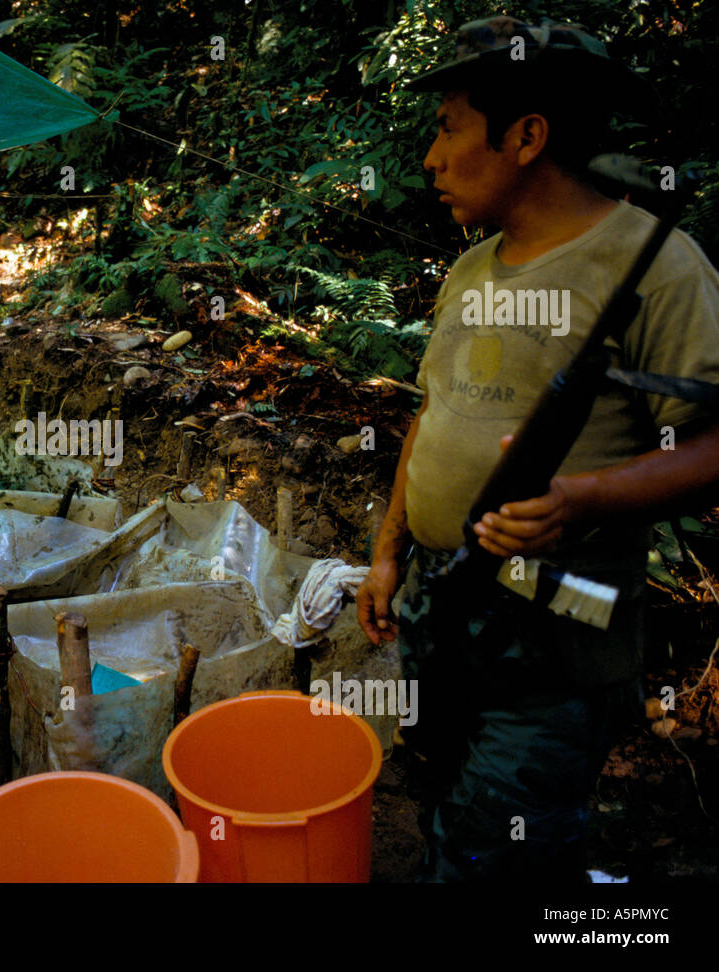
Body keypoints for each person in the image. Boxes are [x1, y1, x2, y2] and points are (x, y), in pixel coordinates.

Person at [355, 16, 719, 881]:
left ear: (526, 137)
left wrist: (585, 501)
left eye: (447, 128)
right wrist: (388, 549)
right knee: (445, 792)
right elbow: (433, 412)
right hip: (441, 609)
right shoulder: (471, 269)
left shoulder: (658, 266)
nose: (431, 159)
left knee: (494, 849)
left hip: (556, 635)